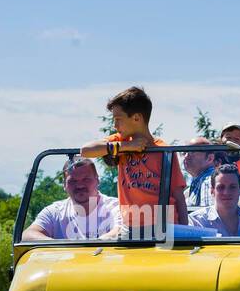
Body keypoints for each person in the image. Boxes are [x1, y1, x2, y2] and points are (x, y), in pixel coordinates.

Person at [80, 86, 188, 234]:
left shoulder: (164, 150)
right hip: (130, 228)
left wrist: (185, 232)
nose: (115, 125)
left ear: (136, 118)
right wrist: (126, 146)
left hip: (164, 227)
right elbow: (86, 151)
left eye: (118, 119)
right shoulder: (120, 141)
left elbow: (178, 194)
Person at [22, 157, 119, 240]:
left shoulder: (116, 207)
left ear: (97, 180)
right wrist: (60, 246)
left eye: (86, 179)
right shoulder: (54, 212)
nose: (80, 185)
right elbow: (27, 235)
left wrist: (90, 246)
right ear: (64, 184)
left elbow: (122, 230)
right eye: (72, 181)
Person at [189, 164, 240, 235]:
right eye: (221, 187)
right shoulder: (197, 222)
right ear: (212, 191)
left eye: (232, 187)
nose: (226, 192)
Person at [181, 136, 219, 210]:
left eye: (192, 152)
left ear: (209, 158)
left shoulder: (208, 181)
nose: (186, 156)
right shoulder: (198, 182)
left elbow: (208, 216)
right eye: (185, 152)